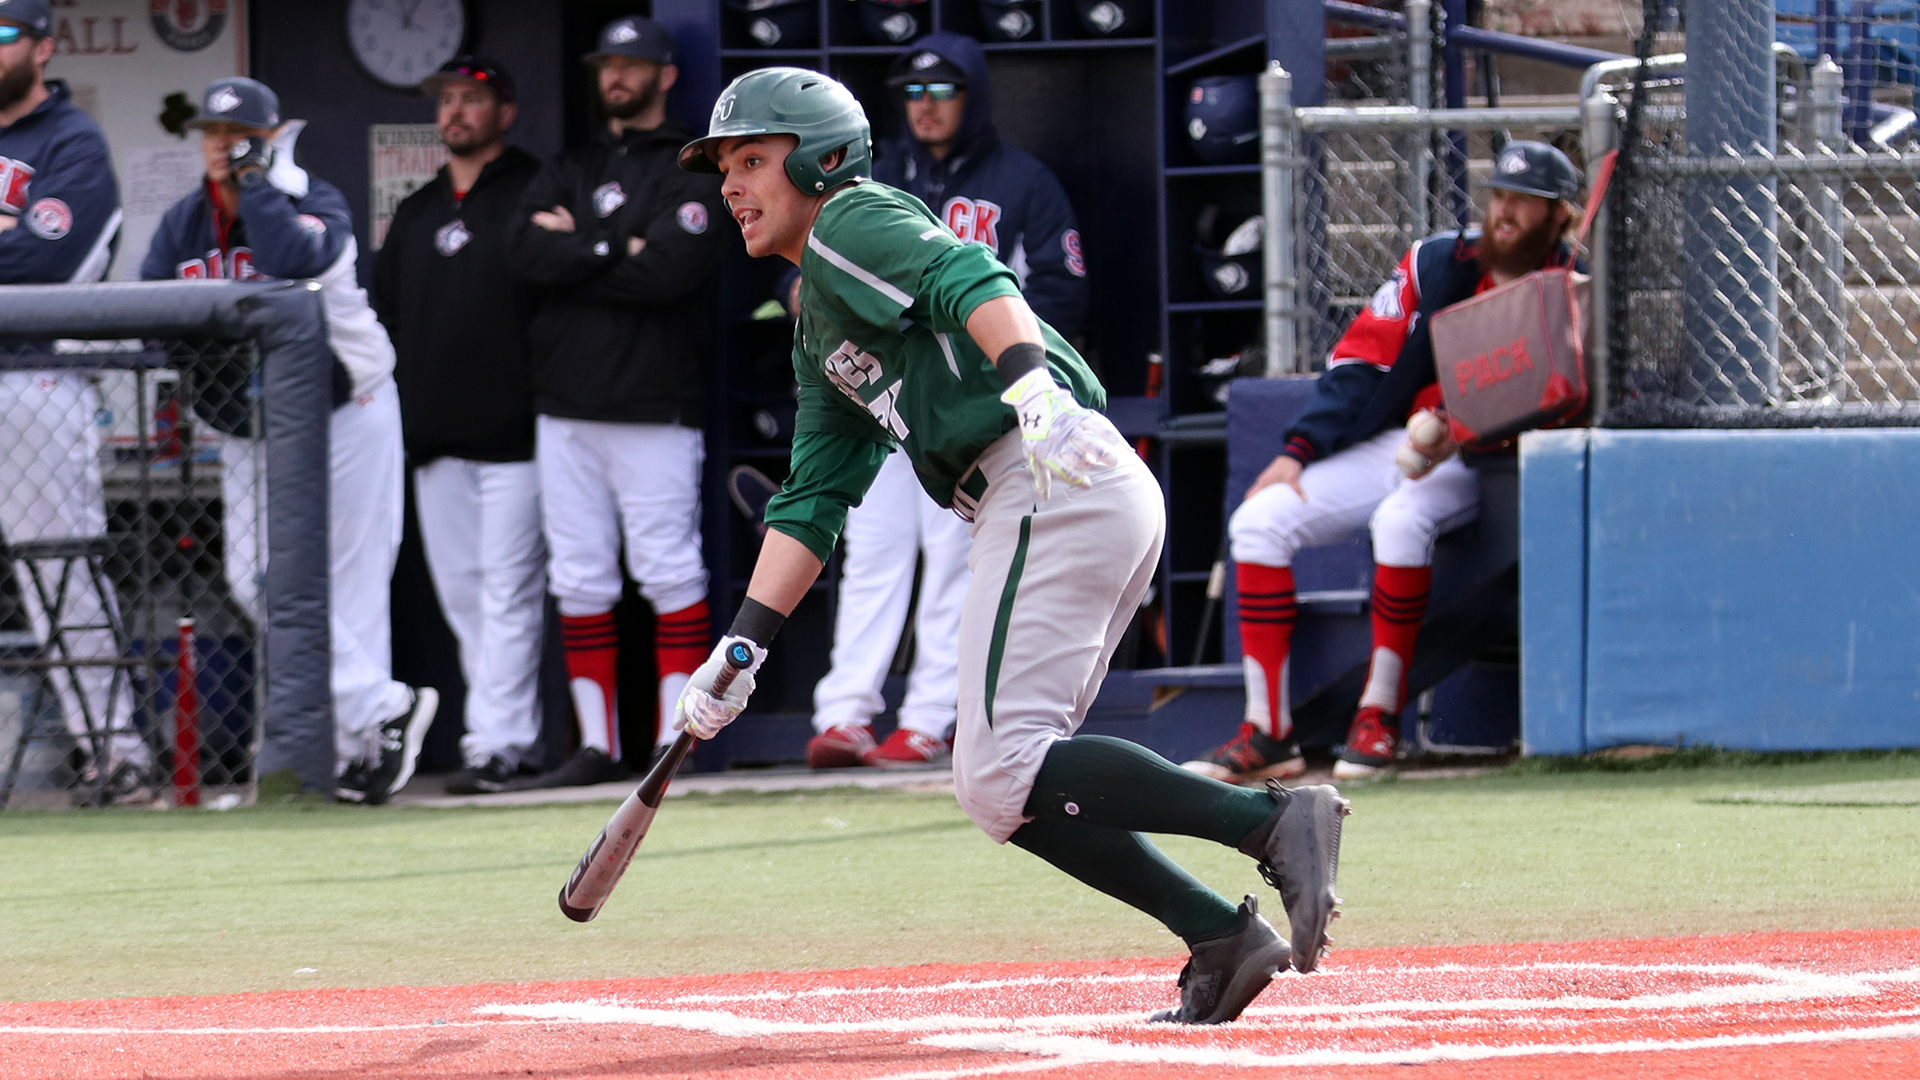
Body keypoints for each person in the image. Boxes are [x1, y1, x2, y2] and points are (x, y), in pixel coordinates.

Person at [674, 67, 1348, 1025]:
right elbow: (813, 499)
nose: (732, 184)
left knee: (1000, 771)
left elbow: (974, 276)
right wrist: (741, 647)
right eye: (723, 166)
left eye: (753, 159)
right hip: (1050, 491)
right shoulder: (818, 314)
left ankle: (1272, 821)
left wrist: (1030, 388)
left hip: (1042, 470)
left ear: (820, 160)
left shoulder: (847, 220)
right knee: (1007, 787)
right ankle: (1219, 933)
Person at [1186, 141, 1584, 784]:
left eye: (1526, 203)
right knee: (1259, 521)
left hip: (1488, 464)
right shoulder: (1439, 261)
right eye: (1500, 196)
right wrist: (1299, 450)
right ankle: (1268, 732)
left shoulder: (1574, 287)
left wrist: (1465, 427)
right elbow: (1362, 359)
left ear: (1559, 215)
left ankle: (1379, 714)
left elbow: (1570, 399)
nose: (1505, 213)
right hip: (1406, 444)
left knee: (1399, 522)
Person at [797, 33, 1090, 771]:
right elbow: (806, 277)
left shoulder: (1022, 180)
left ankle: (928, 718)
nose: (925, 107)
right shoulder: (878, 175)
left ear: (975, 96)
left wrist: (967, 344)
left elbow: (1062, 290)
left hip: (968, 407)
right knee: (871, 552)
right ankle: (846, 712)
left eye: (942, 91)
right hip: (886, 400)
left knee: (952, 556)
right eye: (914, 93)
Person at [142, 76, 438, 805]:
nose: (221, 145)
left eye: (238, 133)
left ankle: (352, 755)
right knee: (256, 578)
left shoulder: (313, 200)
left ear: (270, 138)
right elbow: (150, 316)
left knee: (355, 583)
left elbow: (288, 256)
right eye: (212, 134)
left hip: (348, 411)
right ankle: (383, 706)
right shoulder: (184, 223)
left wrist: (258, 181)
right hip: (249, 428)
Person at [505, 17, 725, 788]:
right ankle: (595, 748)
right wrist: (615, 244)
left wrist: (579, 247)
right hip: (564, 404)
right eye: (608, 64)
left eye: (632, 64)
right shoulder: (569, 162)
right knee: (580, 577)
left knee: (669, 572)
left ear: (664, 74)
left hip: (655, 403)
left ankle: (673, 744)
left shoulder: (691, 167)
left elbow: (670, 273)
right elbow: (522, 255)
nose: (616, 76)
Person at [373, 57, 545, 796]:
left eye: (470, 98)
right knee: (467, 597)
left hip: (520, 432)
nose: (455, 111)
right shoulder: (416, 210)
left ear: (504, 110)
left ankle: (501, 741)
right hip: (436, 435)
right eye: (446, 99)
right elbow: (386, 318)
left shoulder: (536, 188)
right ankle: (496, 735)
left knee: (509, 591)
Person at [0, 0, 138, 801]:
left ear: (43, 48)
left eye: (7, 36)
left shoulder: (71, 141)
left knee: (62, 575)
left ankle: (116, 751)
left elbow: (55, 258)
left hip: (33, 378)